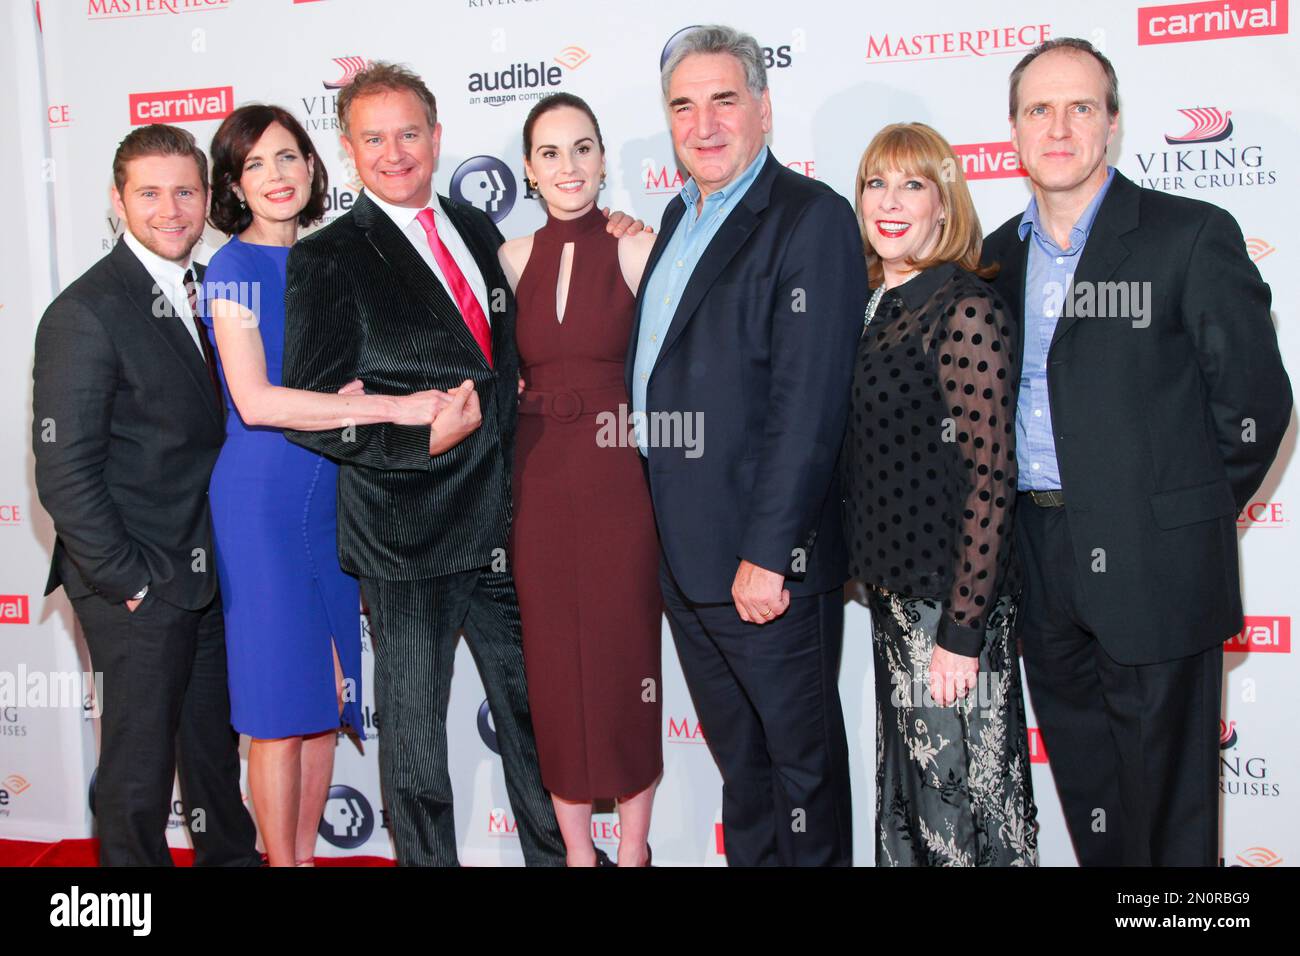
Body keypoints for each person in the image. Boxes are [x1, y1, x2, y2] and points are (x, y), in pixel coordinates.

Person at [280, 62, 640, 866]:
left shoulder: (479, 232)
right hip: (404, 539)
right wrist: (415, 440)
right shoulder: (329, 257)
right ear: (348, 150)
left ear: (437, 138)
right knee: (414, 755)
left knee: (537, 720)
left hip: (507, 527)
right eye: (374, 138)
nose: (395, 152)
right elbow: (312, 410)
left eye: (410, 133)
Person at [983, 38, 1292, 866]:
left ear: (1112, 125)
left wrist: (1179, 516)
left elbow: (1258, 406)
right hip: (1039, 561)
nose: (1059, 126)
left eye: (1080, 107)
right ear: (1011, 131)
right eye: (1038, 109)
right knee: (1095, 803)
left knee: (1171, 818)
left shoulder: (1188, 236)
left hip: (1159, 565)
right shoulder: (994, 259)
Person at [629, 25, 865, 866]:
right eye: (683, 106)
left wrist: (770, 554)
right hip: (687, 559)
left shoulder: (812, 220)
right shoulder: (677, 214)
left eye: (724, 99)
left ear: (763, 109)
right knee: (744, 770)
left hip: (766, 567)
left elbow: (809, 408)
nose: (704, 124)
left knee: (801, 774)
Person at [202, 104, 445, 867]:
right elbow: (257, 399)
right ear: (236, 186)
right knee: (278, 709)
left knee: (322, 695)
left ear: (313, 167)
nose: (275, 176)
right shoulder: (231, 271)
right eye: (256, 165)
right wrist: (389, 406)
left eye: (288, 158)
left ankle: (303, 858)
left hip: (332, 494)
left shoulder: (330, 259)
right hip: (264, 502)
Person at [32, 125, 259, 867]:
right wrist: (126, 580)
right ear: (117, 199)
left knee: (213, 759)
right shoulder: (86, 311)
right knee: (135, 777)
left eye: (186, 191)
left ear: (206, 197)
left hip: (206, 571)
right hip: (136, 580)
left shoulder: (207, 290)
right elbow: (64, 468)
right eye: (151, 193)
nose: (172, 209)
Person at [843, 122, 1038, 867]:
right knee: (914, 797)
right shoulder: (873, 303)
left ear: (944, 203)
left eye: (912, 185)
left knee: (965, 804)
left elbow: (992, 479)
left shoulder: (962, 308)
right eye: (876, 183)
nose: (890, 202)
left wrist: (961, 632)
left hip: (952, 606)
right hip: (895, 597)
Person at [498, 93, 661, 867]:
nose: (570, 166)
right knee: (553, 665)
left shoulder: (639, 246)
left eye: (584, 148)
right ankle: (576, 852)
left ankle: (633, 850)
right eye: (552, 153)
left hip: (617, 475)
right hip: (537, 479)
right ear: (529, 169)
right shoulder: (509, 258)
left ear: (603, 159)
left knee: (627, 656)